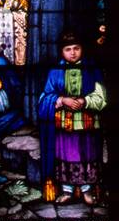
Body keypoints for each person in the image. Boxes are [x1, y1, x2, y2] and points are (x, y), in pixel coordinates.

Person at [38, 36, 106, 205]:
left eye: (76, 48)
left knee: (87, 156)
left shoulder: (92, 69)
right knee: (65, 155)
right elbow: (44, 97)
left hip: (87, 124)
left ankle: (87, 191)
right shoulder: (55, 72)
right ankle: (67, 190)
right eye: (68, 49)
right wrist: (62, 100)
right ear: (62, 52)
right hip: (64, 126)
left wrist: (85, 101)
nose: (73, 53)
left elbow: (102, 96)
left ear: (82, 49)